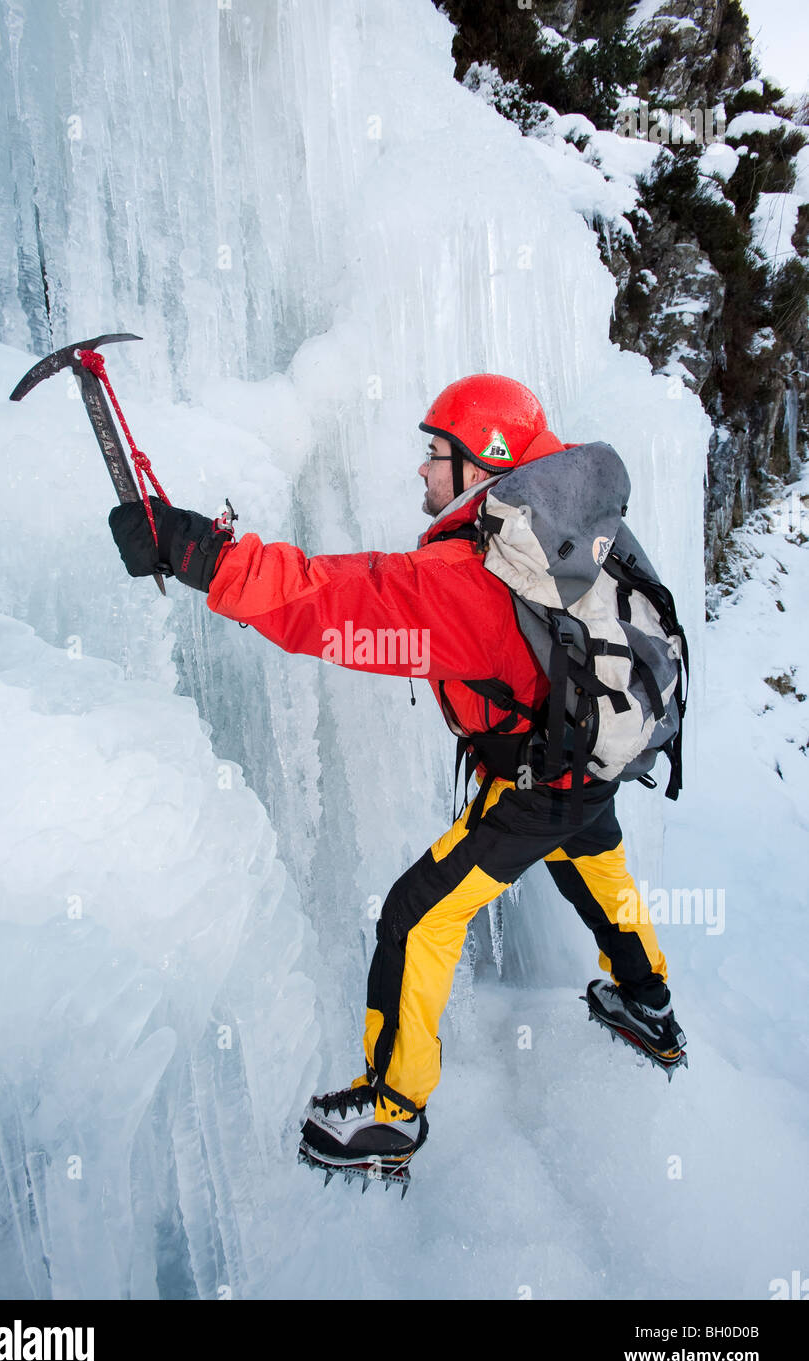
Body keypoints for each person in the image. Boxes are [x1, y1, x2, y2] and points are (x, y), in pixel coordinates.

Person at [109, 373, 686, 1182]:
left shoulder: (478, 580)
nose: (422, 470)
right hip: (587, 755)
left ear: (480, 465)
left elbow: (335, 602)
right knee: (597, 866)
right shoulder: (570, 523)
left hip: (544, 774)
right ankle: (648, 1006)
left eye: (436, 454)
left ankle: (391, 1111)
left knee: (417, 918)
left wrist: (202, 555)